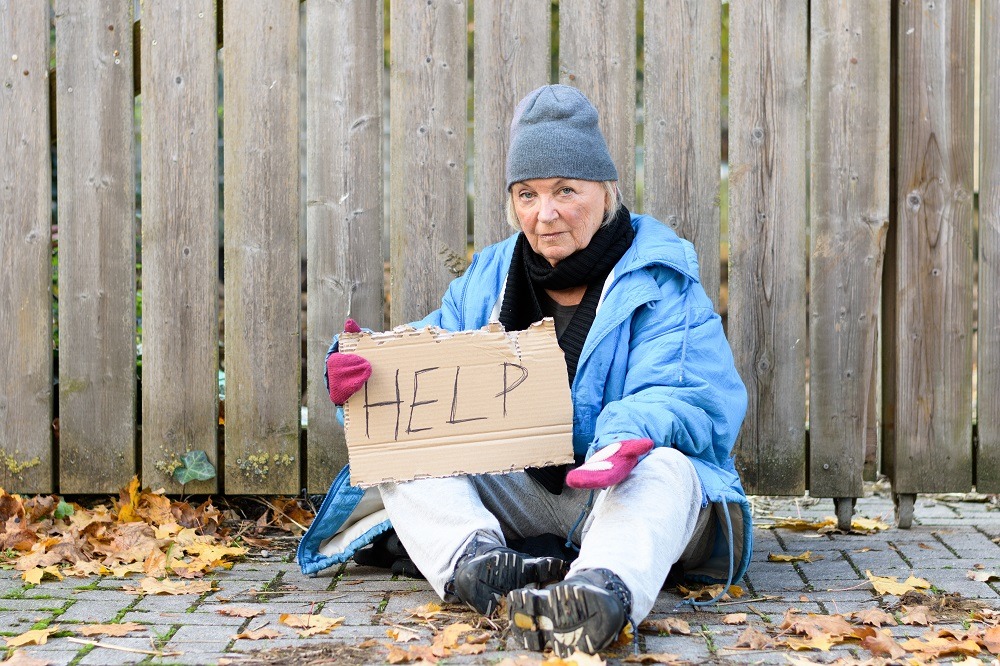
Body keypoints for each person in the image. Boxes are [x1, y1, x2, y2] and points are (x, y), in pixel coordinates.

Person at [298, 84, 751, 657]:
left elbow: (691, 394)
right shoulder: (491, 275)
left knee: (664, 469)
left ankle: (598, 593)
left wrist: (624, 437)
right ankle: (481, 566)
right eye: (527, 194)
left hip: (622, 491)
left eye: (566, 190)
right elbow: (430, 361)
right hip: (526, 491)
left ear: (605, 190)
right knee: (402, 442)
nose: (546, 213)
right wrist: (360, 368)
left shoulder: (661, 280)